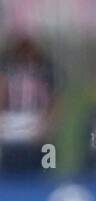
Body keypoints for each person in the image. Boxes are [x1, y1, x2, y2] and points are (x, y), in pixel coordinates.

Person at [0, 35, 59, 174]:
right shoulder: (6, 71)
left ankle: (47, 176)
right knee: (10, 169)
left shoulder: (45, 72)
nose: (26, 55)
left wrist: (49, 124)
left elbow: (54, 100)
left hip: (36, 122)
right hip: (11, 123)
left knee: (47, 157)